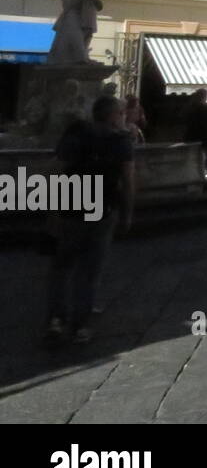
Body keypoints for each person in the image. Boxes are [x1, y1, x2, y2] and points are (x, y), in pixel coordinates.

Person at [45, 95, 135, 346]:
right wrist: (128, 213)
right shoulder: (121, 142)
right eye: (120, 112)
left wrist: (51, 209)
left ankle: (56, 320)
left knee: (61, 268)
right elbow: (128, 182)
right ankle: (80, 326)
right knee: (89, 271)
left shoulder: (76, 134)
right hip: (102, 210)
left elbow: (54, 170)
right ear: (111, 115)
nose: (124, 116)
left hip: (69, 207)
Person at [184, 88, 207, 184]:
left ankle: (199, 179)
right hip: (204, 137)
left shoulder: (191, 107)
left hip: (192, 136)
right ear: (204, 96)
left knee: (198, 159)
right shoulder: (204, 108)